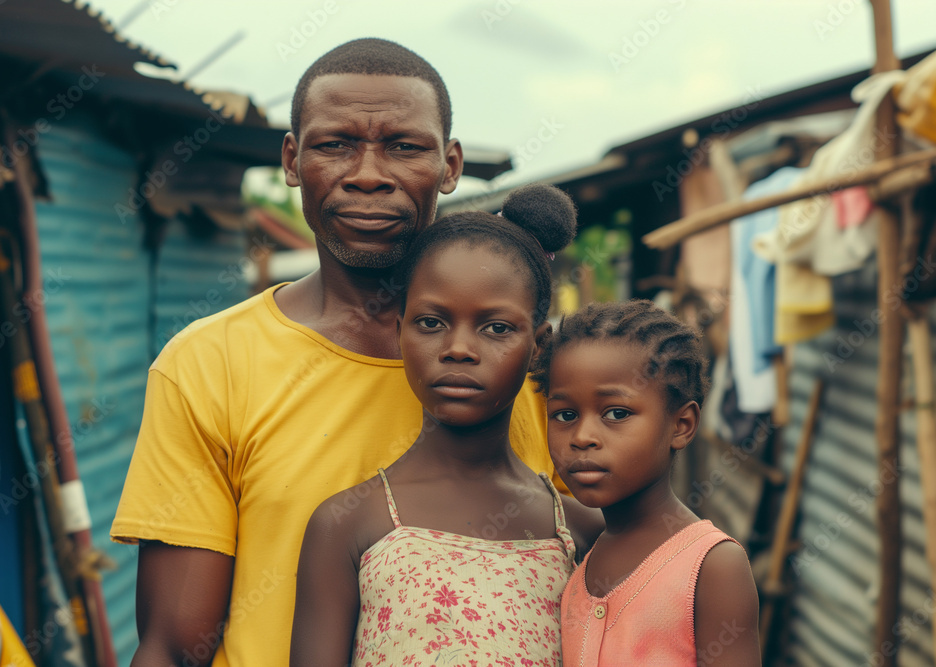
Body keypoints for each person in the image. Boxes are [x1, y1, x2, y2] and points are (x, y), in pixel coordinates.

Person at [111, 39, 566, 667]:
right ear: (292, 161)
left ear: (450, 165)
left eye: (404, 147)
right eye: (335, 145)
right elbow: (171, 646)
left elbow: (605, 583)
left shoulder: (536, 369)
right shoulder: (208, 364)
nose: (368, 174)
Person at [290, 183, 603, 666]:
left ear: (539, 347)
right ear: (399, 333)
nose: (458, 349)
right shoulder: (347, 524)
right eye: (431, 323)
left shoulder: (581, 533)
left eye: (496, 328)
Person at [533, 301, 761, 666]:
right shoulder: (580, 551)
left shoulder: (713, 566)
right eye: (565, 415)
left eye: (616, 413)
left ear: (681, 425)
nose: (582, 436)